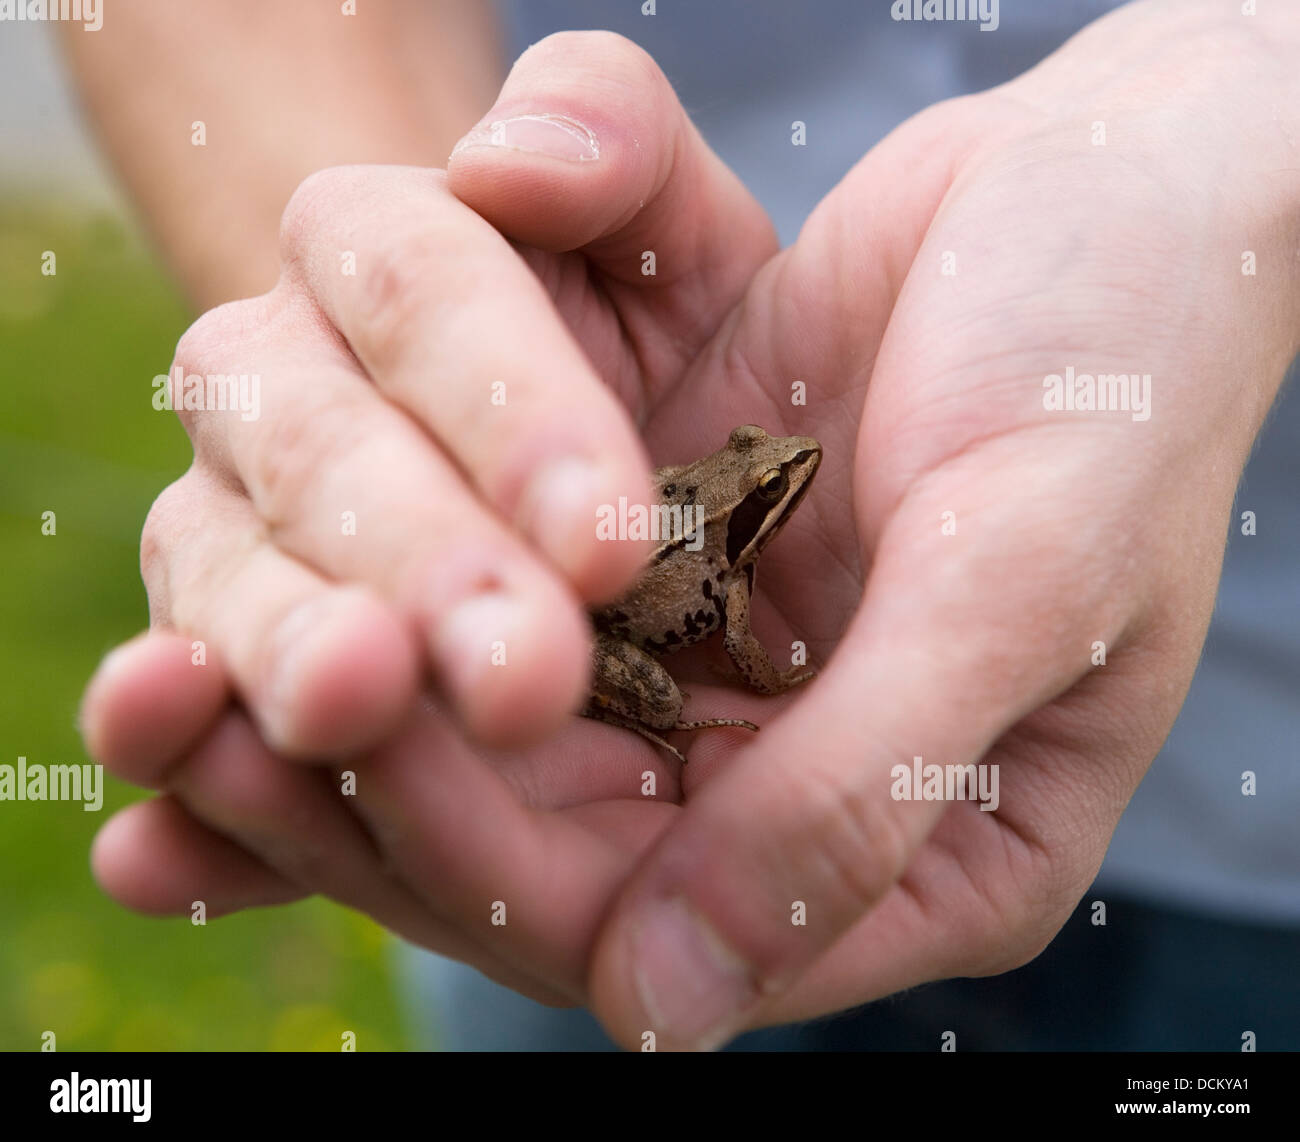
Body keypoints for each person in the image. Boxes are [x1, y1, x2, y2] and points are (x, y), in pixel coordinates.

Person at [72, 0, 1300, 1051]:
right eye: (771, 485)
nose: (790, 478)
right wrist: (404, 352)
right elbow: (750, 652)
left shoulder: (740, 524)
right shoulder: (725, 574)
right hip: (599, 794)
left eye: (773, 483)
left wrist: (1233, 120)